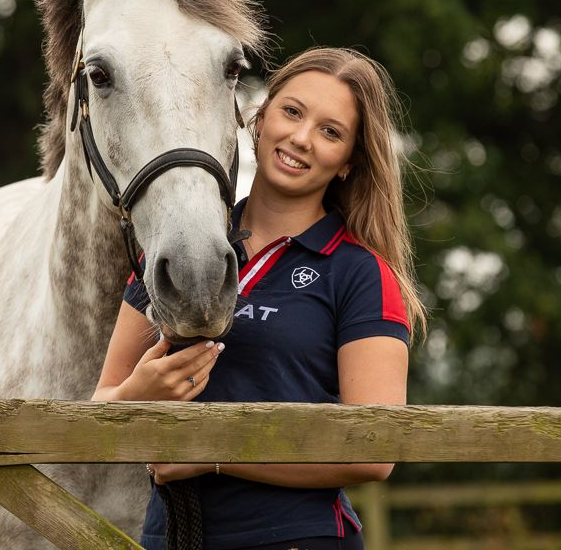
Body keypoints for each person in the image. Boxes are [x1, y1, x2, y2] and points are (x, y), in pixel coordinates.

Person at [93, 47, 428, 550]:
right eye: (292, 112)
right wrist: (136, 394)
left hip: (298, 539)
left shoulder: (360, 273)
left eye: (330, 131)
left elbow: (374, 451)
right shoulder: (176, 251)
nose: (300, 138)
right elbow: (101, 407)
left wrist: (213, 451)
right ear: (258, 117)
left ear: (347, 163)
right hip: (170, 538)